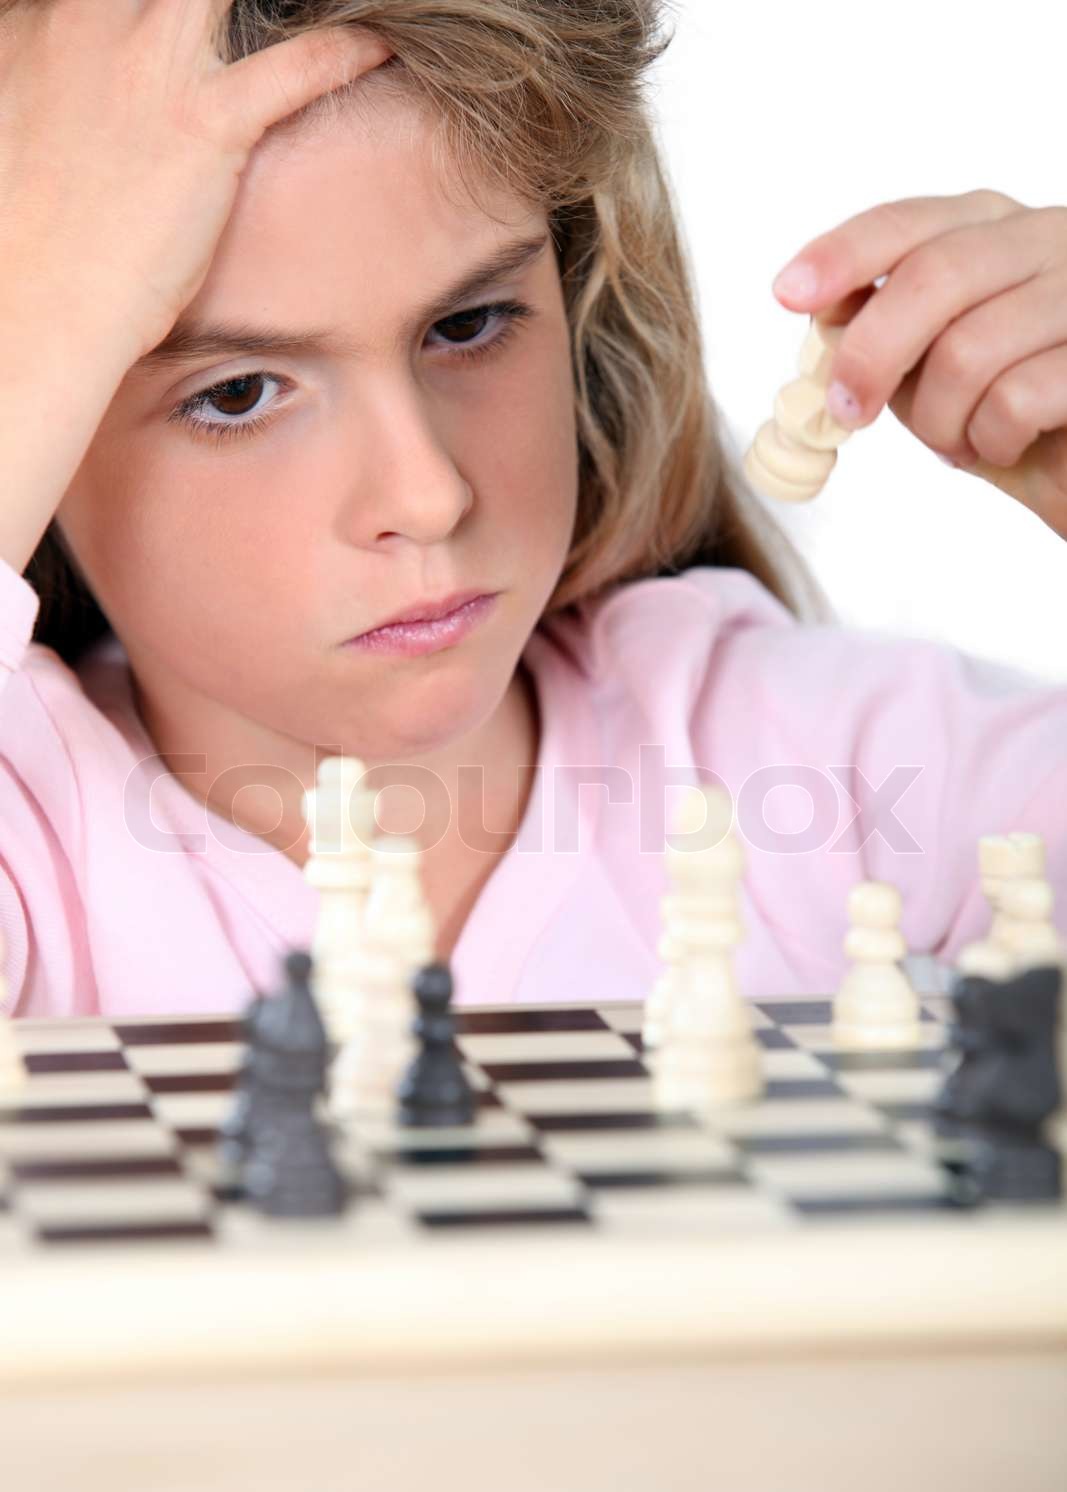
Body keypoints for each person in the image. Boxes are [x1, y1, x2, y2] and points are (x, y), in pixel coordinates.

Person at [0, 0, 1064, 1018]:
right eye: (235, 392)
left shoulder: (827, 762)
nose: (427, 494)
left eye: (467, 325)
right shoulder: (35, 849)